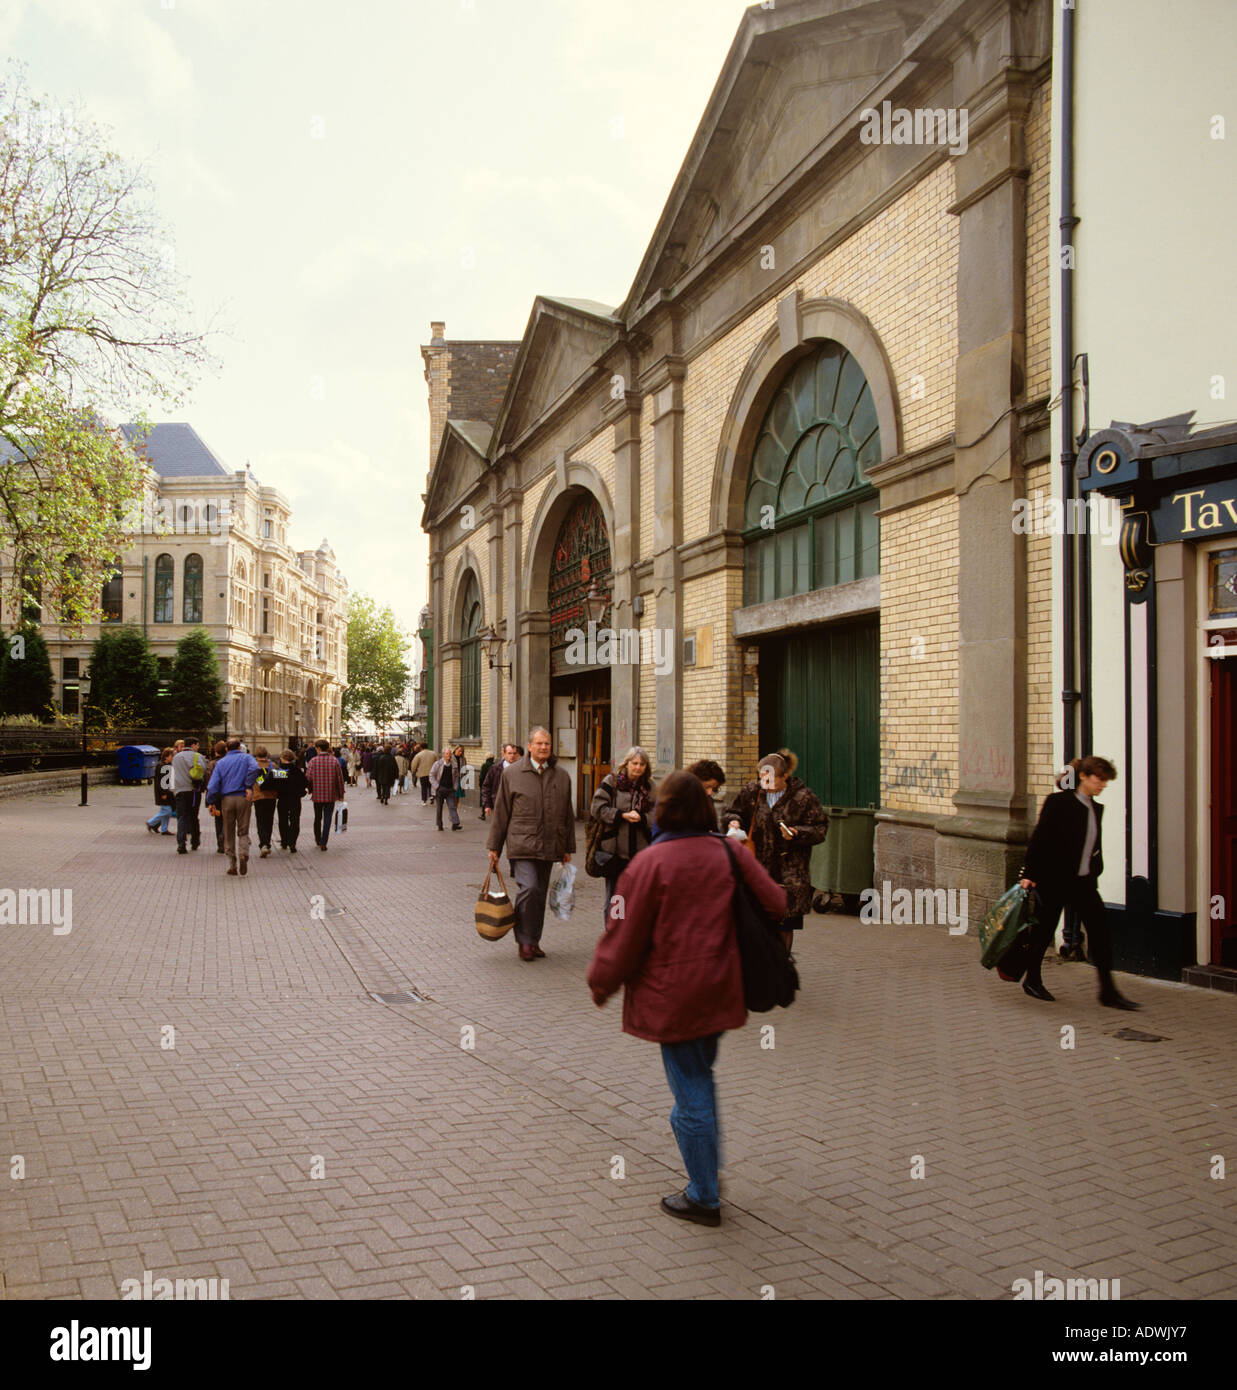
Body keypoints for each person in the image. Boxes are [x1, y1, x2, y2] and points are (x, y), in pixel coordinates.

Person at [588, 771, 787, 1226]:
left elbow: (623, 938)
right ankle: (707, 1169)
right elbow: (776, 901)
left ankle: (704, 1194)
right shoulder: (726, 851)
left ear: (663, 810)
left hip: (671, 998)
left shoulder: (649, 864)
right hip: (721, 988)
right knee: (701, 1078)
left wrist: (601, 982)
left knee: (691, 1092)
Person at [1018, 756, 1138, 1010]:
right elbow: (1040, 840)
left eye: (1106, 781)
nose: (1102, 785)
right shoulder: (1058, 803)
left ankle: (1108, 992)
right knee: (1043, 931)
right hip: (1054, 880)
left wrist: (1095, 869)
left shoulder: (1096, 808)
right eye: (1099, 779)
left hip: (1083, 882)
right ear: (1083, 776)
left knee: (1100, 933)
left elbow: (1092, 846)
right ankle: (1032, 979)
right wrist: (1028, 873)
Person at [723, 749, 829, 950]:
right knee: (756, 922)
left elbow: (820, 828)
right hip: (757, 869)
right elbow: (731, 811)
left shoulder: (803, 797)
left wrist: (796, 833)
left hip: (790, 873)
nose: (765, 782)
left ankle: (782, 967)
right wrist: (734, 822)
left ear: (784, 777)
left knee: (785, 924)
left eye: (770, 779)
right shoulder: (751, 792)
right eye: (762, 777)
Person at [487, 727, 575, 961]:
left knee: (539, 894)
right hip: (521, 844)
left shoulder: (561, 776)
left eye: (547, 743)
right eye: (539, 743)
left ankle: (534, 940)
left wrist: (567, 847)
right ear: (529, 746)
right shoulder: (512, 774)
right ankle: (524, 941)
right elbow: (501, 813)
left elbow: (567, 814)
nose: (544, 747)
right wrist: (494, 846)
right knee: (529, 888)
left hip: (550, 844)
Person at [589, 746, 656, 927]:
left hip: (641, 851)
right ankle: (613, 932)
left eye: (642, 764)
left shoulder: (649, 787)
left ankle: (631, 934)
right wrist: (621, 815)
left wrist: (642, 818)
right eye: (634, 763)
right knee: (616, 897)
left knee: (637, 896)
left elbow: (656, 815)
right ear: (626, 764)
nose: (638, 768)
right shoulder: (612, 782)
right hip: (615, 851)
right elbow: (597, 809)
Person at [205, 737, 260, 876]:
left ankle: (232, 864)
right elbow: (255, 769)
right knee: (243, 829)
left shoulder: (221, 762)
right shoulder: (247, 758)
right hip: (243, 797)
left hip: (227, 799)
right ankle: (243, 853)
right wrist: (248, 785)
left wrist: (210, 801)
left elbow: (212, 785)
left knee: (228, 831)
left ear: (226, 749)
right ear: (239, 747)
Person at [307, 737, 346, 850]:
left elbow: (308, 778)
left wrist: (309, 789)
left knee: (317, 817)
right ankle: (324, 841)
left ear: (318, 748)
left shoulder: (313, 761)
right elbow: (340, 779)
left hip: (317, 795)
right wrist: (341, 794)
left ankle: (318, 838)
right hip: (330, 795)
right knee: (327, 818)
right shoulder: (334, 761)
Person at [170, 736, 205, 854]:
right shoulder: (197, 756)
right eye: (197, 745)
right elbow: (203, 772)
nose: (198, 747)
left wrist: (173, 790)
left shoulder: (176, 757)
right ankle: (195, 841)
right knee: (194, 816)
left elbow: (172, 774)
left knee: (182, 817)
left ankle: (181, 843)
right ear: (193, 745)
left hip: (180, 791)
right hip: (193, 791)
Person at [270, 749, 309, 852]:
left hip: (283, 799)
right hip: (295, 799)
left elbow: (272, 783)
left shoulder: (279, 771)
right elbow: (305, 783)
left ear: (282, 758)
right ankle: (292, 843)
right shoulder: (297, 770)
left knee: (283, 820)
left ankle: (284, 841)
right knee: (295, 821)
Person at [251, 746, 279, 857]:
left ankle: (263, 844)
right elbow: (282, 777)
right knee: (269, 820)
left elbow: (249, 780)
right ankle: (267, 842)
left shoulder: (253, 766)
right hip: (271, 797)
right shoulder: (273, 765)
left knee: (260, 821)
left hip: (258, 797)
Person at [481, 744, 521, 818]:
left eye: (514, 753)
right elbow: (486, 787)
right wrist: (487, 805)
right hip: (498, 805)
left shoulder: (521, 769)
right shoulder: (495, 768)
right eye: (509, 753)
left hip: (516, 807)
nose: (512, 755)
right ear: (504, 754)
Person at [203, 740, 228, 854]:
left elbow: (208, 782)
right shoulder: (228, 762)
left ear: (215, 751)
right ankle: (225, 836)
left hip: (216, 795)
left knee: (218, 819)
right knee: (228, 819)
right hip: (227, 794)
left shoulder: (211, 764)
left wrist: (209, 800)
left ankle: (220, 842)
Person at [146, 747, 178, 836]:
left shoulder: (165, 765)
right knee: (167, 811)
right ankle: (151, 822)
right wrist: (164, 793)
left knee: (166, 810)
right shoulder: (164, 767)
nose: (173, 757)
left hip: (166, 791)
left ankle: (164, 829)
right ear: (166, 756)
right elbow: (163, 782)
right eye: (172, 756)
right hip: (164, 792)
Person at [430, 746, 462, 830]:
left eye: (450, 754)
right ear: (443, 755)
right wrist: (437, 786)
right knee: (439, 808)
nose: (449, 755)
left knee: (452, 806)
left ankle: (455, 823)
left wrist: (455, 787)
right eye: (447, 754)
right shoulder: (438, 764)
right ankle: (439, 825)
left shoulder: (454, 765)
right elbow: (431, 775)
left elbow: (456, 777)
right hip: (440, 789)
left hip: (450, 789)